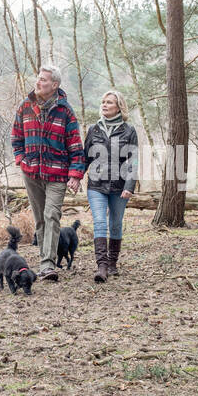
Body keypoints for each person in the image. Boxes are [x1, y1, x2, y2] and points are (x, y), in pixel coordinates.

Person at [11, 64, 85, 281]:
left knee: (52, 215)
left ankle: (48, 264)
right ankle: (45, 262)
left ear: (54, 85)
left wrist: (75, 174)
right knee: (40, 220)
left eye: (43, 79)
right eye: (38, 78)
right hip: (31, 173)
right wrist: (21, 159)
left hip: (57, 174)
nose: (38, 82)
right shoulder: (25, 106)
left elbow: (75, 145)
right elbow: (16, 137)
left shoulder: (65, 111)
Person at [82, 89, 137, 282]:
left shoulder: (129, 131)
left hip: (120, 186)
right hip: (96, 185)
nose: (104, 105)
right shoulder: (94, 130)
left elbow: (133, 161)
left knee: (115, 224)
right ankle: (102, 266)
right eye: (103, 101)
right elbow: (85, 157)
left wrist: (129, 186)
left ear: (119, 107)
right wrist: (75, 176)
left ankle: (113, 263)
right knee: (99, 222)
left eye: (109, 102)